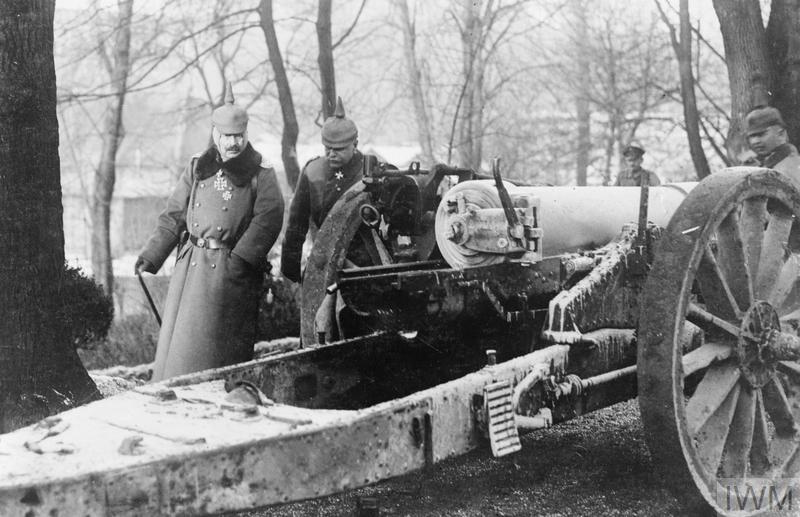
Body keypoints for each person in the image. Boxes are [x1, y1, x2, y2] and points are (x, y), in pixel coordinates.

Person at [135, 83, 284, 381]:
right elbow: (175, 214)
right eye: (227, 136)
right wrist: (152, 255)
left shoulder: (260, 172)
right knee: (179, 351)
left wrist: (239, 262)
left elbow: (269, 218)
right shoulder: (197, 167)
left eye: (239, 136)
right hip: (190, 269)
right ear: (215, 134)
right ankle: (172, 394)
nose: (233, 143)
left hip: (229, 274)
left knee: (216, 353)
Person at [280, 97, 368, 283]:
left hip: (364, 265)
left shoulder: (369, 171)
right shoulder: (313, 172)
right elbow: (296, 224)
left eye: (340, 148)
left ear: (355, 144)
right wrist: (291, 269)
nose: (332, 154)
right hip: (324, 261)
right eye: (328, 148)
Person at [744, 105, 800, 184]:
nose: (755, 141)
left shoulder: (794, 165)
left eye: (761, 134)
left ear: (781, 134)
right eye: (752, 136)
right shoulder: (754, 166)